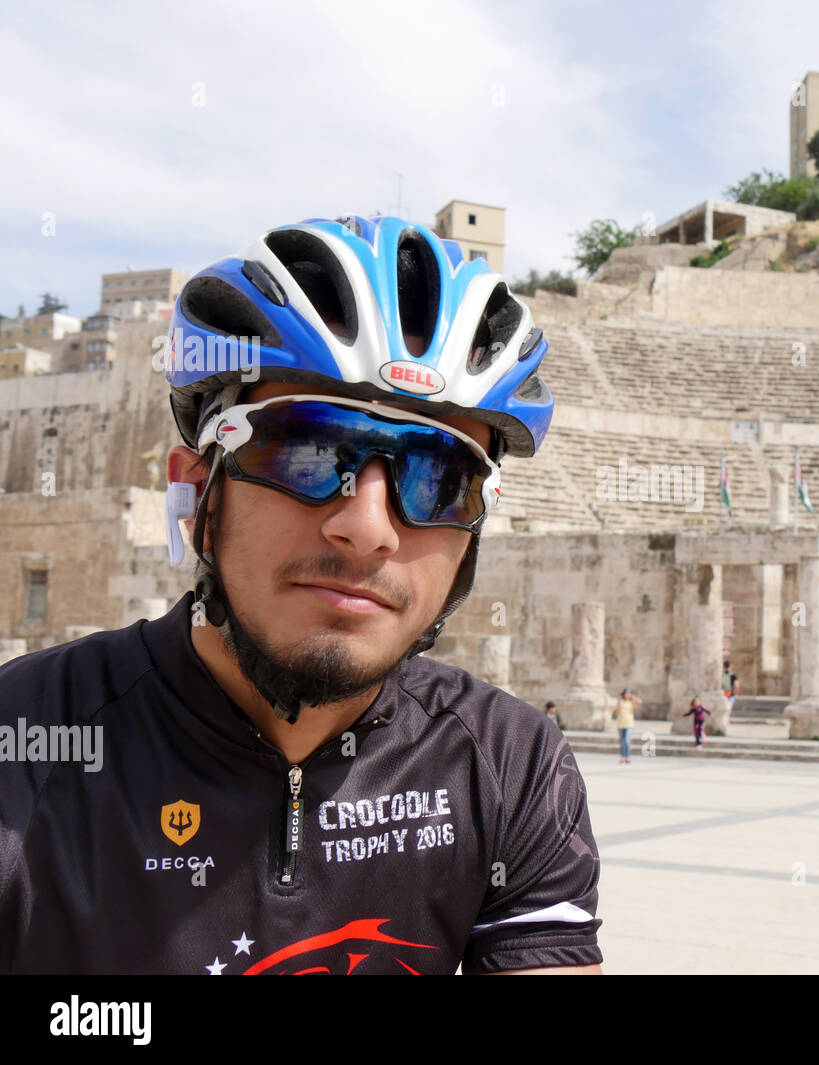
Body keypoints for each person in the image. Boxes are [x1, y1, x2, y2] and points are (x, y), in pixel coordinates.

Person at [0, 215, 602, 975]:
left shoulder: (511, 766)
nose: (366, 526)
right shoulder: (20, 750)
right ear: (197, 493)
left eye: (437, 476)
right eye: (310, 449)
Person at [614, 688, 640, 764]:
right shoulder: (620, 702)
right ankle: (623, 757)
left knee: (627, 740)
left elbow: (639, 702)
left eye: (629, 693)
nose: (627, 695)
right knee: (622, 741)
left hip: (629, 724)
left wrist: (632, 697)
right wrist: (619, 706)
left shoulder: (631, 702)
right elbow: (617, 713)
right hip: (620, 724)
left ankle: (627, 756)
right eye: (627, 693)